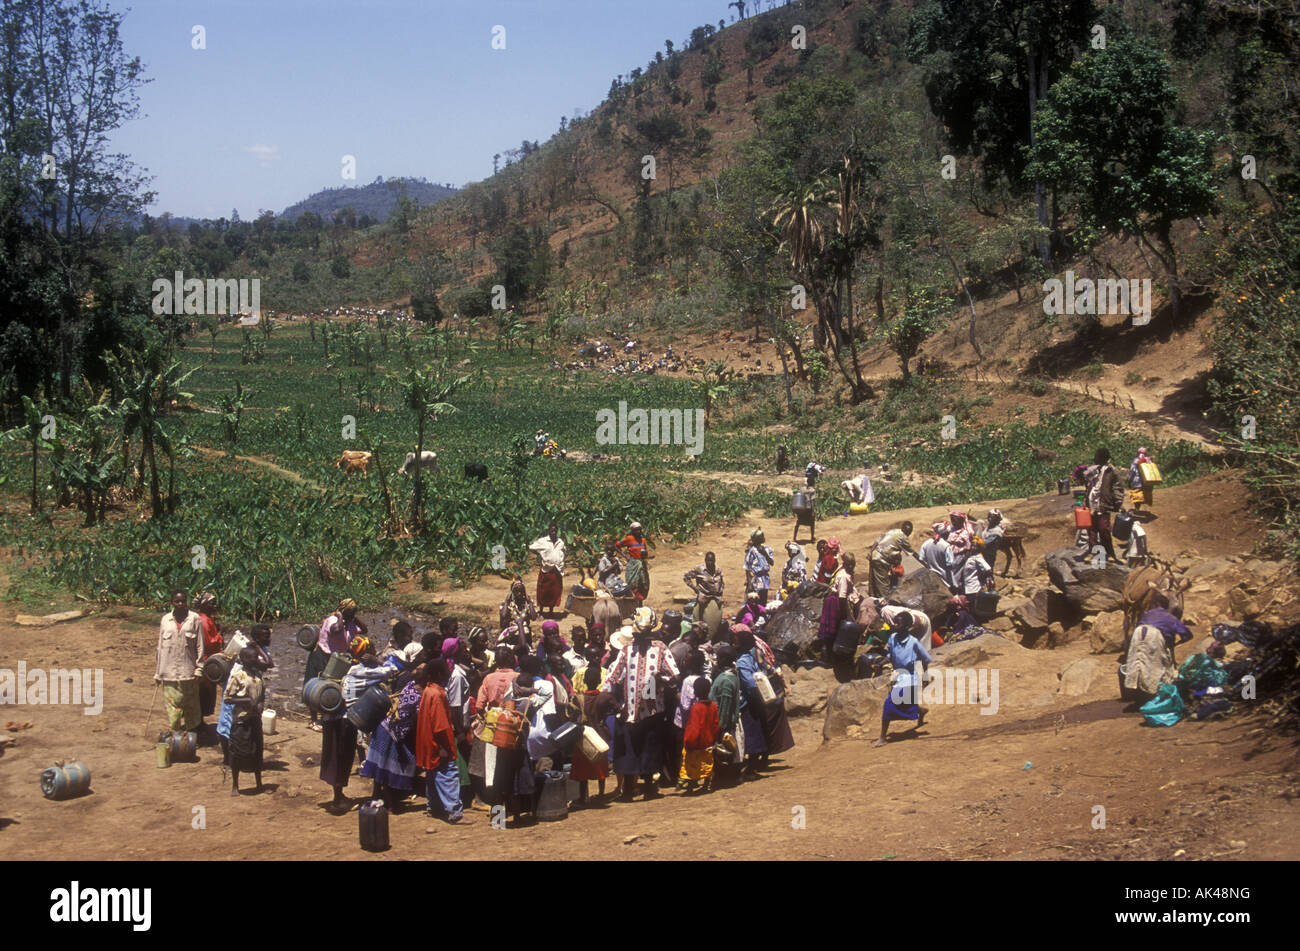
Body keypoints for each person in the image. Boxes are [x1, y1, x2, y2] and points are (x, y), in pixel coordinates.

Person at [603, 607, 679, 800]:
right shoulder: (627, 650)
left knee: (648, 748)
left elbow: (674, 676)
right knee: (631, 749)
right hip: (628, 710)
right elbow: (612, 678)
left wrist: (658, 679)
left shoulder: (661, 648)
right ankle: (630, 790)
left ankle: (648, 788)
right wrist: (612, 701)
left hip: (652, 710)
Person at [360, 643, 424, 809]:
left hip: (386, 727)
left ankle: (381, 797)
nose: (416, 669)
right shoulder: (417, 692)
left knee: (382, 764)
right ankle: (390, 803)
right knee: (387, 765)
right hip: (391, 731)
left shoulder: (411, 684)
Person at [416, 659, 472, 824]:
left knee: (433, 774)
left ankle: (433, 806)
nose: (449, 673)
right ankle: (454, 812)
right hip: (439, 742)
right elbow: (440, 724)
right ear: (440, 674)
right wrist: (443, 746)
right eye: (446, 671)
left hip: (428, 740)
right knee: (448, 774)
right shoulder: (438, 694)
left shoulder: (428, 690)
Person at [735, 625, 794, 768]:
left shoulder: (749, 656)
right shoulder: (753, 652)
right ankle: (761, 757)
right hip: (767, 694)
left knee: (763, 726)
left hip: (766, 695)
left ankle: (760, 758)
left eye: (735, 640)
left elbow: (754, 680)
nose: (733, 643)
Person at [307, 599, 367, 732]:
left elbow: (364, 630)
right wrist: (340, 616)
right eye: (349, 612)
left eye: (353, 613)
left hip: (337, 660)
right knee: (316, 684)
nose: (351, 615)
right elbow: (336, 630)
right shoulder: (333, 620)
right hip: (322, 655)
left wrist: (355, 619)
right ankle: (313, 719)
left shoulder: (350, 623)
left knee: (333, 686)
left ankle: (326, 716)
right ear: (343, 611)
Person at [216, 624, 272, 765]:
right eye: (266, 636)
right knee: (228, 720)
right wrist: (257, 649)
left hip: (250, 686)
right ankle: (227, 759)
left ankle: (243, 757)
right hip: (237, 684)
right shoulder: (248, 652)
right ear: (257, 637)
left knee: (246, 719)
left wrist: (259, 648)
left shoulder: (261, 649)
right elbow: (267, 664)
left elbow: (268, 663)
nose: (269, 638)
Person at [1121, 594, 1193, 703]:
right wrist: (1178, 642)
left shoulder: (1147, 615)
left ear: (1155, 604)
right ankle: (1155, 694)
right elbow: (1187, 634)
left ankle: (1138, 693)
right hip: (1154, 636)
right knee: (1158, 666)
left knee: (1139, 663)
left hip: (1138, 634)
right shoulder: (1170, 617)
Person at [155, 589, 204, 739]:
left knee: (191, 707)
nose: (180, 604)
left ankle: (192, 738)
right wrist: (158, 673)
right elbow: (160, 647)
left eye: (183, 601)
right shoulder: (165, 620)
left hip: (188, 672)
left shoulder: (194, 619)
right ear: (172, 603)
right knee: (173, 709)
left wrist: (199, 669)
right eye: (177, 601)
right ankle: (176, 738)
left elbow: (200, 645)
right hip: (168, 673)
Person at [876, 613, 932, 747]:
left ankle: (883, 737)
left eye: (898, 623)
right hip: (898, 675)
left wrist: (926, 675)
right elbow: (890, 654)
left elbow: (925, 659)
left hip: (910, 677)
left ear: (907, 626)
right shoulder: (892, 638)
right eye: (894, 622)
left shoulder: (913, 642)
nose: (895, 625)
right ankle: (920, 710)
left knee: (889, 703)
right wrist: (880, 663)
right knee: (905, 702)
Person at [224, 646, 270, 795]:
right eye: (252, 658)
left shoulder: (257, 676)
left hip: (255, 719)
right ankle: (235, 785)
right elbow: (228, 698)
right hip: (241, 721)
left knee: (257, 751)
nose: (256, 660)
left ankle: (258, 783)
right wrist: (247, 701)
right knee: (237, 752)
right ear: (243, 660)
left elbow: (262, 694)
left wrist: (261, 704)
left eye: (256, 657)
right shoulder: (238, 676)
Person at [570, 648, 612, 805]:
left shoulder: (579, 699)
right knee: (600, 767)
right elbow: (616, 709)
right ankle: (601, 794)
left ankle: (583, 796)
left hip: (584, 735)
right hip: (599, 733)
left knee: (582, 768)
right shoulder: (604, 697)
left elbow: (573, 716)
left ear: (584, 681)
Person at [710, 645, 744, 787]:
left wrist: (720, 726)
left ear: (724, 659)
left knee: (723, 750)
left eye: (718, 657)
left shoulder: (725, 681)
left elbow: (724, 707)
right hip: (729, 720)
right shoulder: (733, 675)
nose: (716, 660)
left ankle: (723, 778)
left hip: (723, 722)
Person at [1088, 448, 1128, 563]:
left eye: (1097, 456)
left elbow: (1117, 487)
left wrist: (1118, 501)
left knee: (1104, 529)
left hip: (1104, 503)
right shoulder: (1092, 470)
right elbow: (1088, 484)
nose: (1095, 458)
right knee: (1092, 530)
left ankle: (1110, 553)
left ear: (1102, 458)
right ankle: (1093, 553)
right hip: (1092, 503)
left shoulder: (1111, 471)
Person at [679, 677, 718, 794]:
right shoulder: (713, 706)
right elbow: (716, 724)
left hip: (696, 743)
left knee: (692, 765)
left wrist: (688, 741)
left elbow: (694, 727)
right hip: (709, 742)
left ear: (696, 691)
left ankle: (691, 784)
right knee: (707, 764)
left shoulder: (696, 708)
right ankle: (706, 783)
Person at [817, 551, 855, 662]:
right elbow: (842, 597)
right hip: (836, 603)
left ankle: (828, 657)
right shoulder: (843, 576)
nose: (851, 566)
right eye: (849, 564)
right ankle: (829, 658)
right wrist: (846, 616)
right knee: (833, 631)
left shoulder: (843, 570)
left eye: (853, 564)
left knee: (830, 631)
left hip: (834, 601)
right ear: (845, 563)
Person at [192, 592, 224, 727]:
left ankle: (199, 720)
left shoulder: (207, 619)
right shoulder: (204, 621)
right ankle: (197, 721)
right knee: (203, 691)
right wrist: (220, 634)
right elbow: (209, 642)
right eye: (211, 603)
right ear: (204, 605)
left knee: (205, 691)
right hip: (205, 660)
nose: (214, 605)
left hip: (209, 659)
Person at [528, 522, 566, 618]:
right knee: (543, 591)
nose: (553, 532)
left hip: (557, 570)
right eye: (551, 530)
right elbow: (531, 547)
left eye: (555, 530)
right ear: (548, 530)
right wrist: (539, 555)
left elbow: (564, 550)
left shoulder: (560, 542)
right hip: (546, 569)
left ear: (557, 531)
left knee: (554, 592)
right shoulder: (543, 541)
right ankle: (541, 611)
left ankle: (551, 611)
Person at [683, 552, 725, 638]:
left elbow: (722, 582)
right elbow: (686, 577)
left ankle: (709, 639)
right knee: (698, 620)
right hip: (703, 598)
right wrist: (696, 589)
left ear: (715, 560)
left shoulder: (718, 569)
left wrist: (720, 591)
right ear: (705, 560)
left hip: (715, 598)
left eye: (712, 560)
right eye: (708, 560)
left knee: (713, 623)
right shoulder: (699, 569)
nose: (710, 562)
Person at [869, 522, 915, 597]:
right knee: (883, 585)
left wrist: (870, 552)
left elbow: (878, 540)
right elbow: (912, 552)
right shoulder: (903, 538)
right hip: (881, 560)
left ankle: (872, 599)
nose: (907, 534)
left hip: (874, 556)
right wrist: (924, 562)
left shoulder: (892, 531)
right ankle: (884, 604)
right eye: (908, 532)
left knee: (873, 582)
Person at [499, 579, 539, 652]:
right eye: (516, 591)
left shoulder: (528, 603)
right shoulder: (507, 603)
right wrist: (506, 602)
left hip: (525, 632)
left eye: (521, 591)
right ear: (512, 592)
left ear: (524, 591)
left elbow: (533, 617)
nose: (519, 593)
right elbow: (503, 616)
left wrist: (530, 603)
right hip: (511, 633)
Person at [617, 521, 650, 601]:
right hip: (633, 564)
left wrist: (644, 555)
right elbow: (616, 546)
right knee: (632, 583)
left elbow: (644, 550)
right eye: (635, 530)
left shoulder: (643, 540)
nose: (637, 531)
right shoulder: (629, 539)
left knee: (643, 582)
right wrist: (625, 556)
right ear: (632, 531)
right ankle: (632, 601)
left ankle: (640, 601)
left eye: (639, 530)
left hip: (642, 563)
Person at [743, 529, 775, 604]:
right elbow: (747, 568)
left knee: (764, 599)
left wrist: (765, 553)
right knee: (755, 600)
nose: (764, 537)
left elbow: (772, 563)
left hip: (765, 578)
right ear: (757, 539)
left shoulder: (767, 549)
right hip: (756, 579)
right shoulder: (751, 551)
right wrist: (749, 583)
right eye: (762, 536)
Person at [1129, 447, 1156, 511]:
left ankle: (1137, 509)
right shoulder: (1149, 460)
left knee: (1137, 495)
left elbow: (1132, 470)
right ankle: (1144, 506)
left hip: (1137, 481)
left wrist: (1129, 479)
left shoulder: (1136, 460)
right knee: (1145, 493)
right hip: (1147, 481)